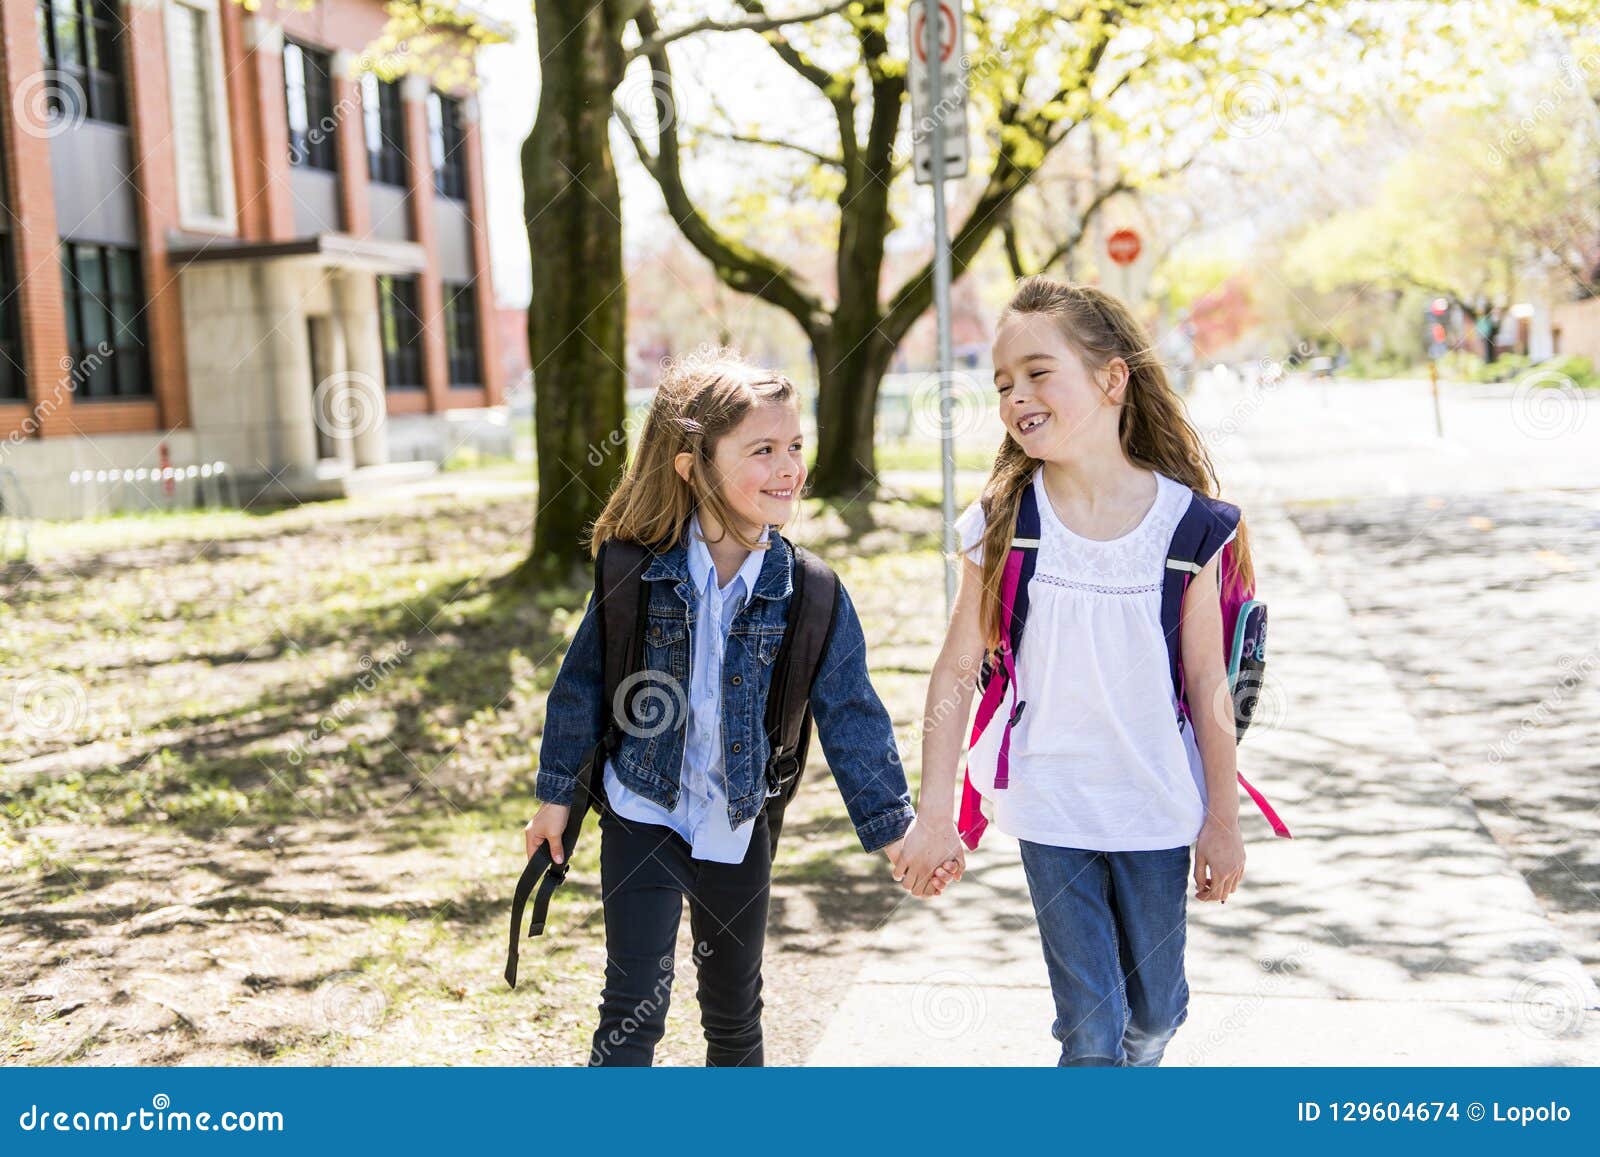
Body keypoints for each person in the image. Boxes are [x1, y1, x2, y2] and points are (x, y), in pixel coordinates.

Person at [524, 346, 957, 1066]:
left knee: (734, 1017)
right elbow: (580, 687)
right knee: (631, 1009)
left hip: (735, 824)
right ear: (693, 466)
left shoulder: (811, 593)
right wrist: (556, 798)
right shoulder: (635, 572)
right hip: (644, 815)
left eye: (794, 445)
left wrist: (897, 835)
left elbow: (852, 716)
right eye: (762, 449)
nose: (788, 466)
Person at [894, 277, 1252, 1066]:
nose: (1015, 395)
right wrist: (935, 810)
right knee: (1091, 1029)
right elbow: (956, 669)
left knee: (1156, 1016)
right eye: (1001, 383)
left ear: (1112, 377)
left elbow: (1208, 688)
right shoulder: (1005, 521)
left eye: (1036, 371)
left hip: (1156, 805)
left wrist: (1222, 821)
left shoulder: (1189, 524)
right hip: (1051, 804)